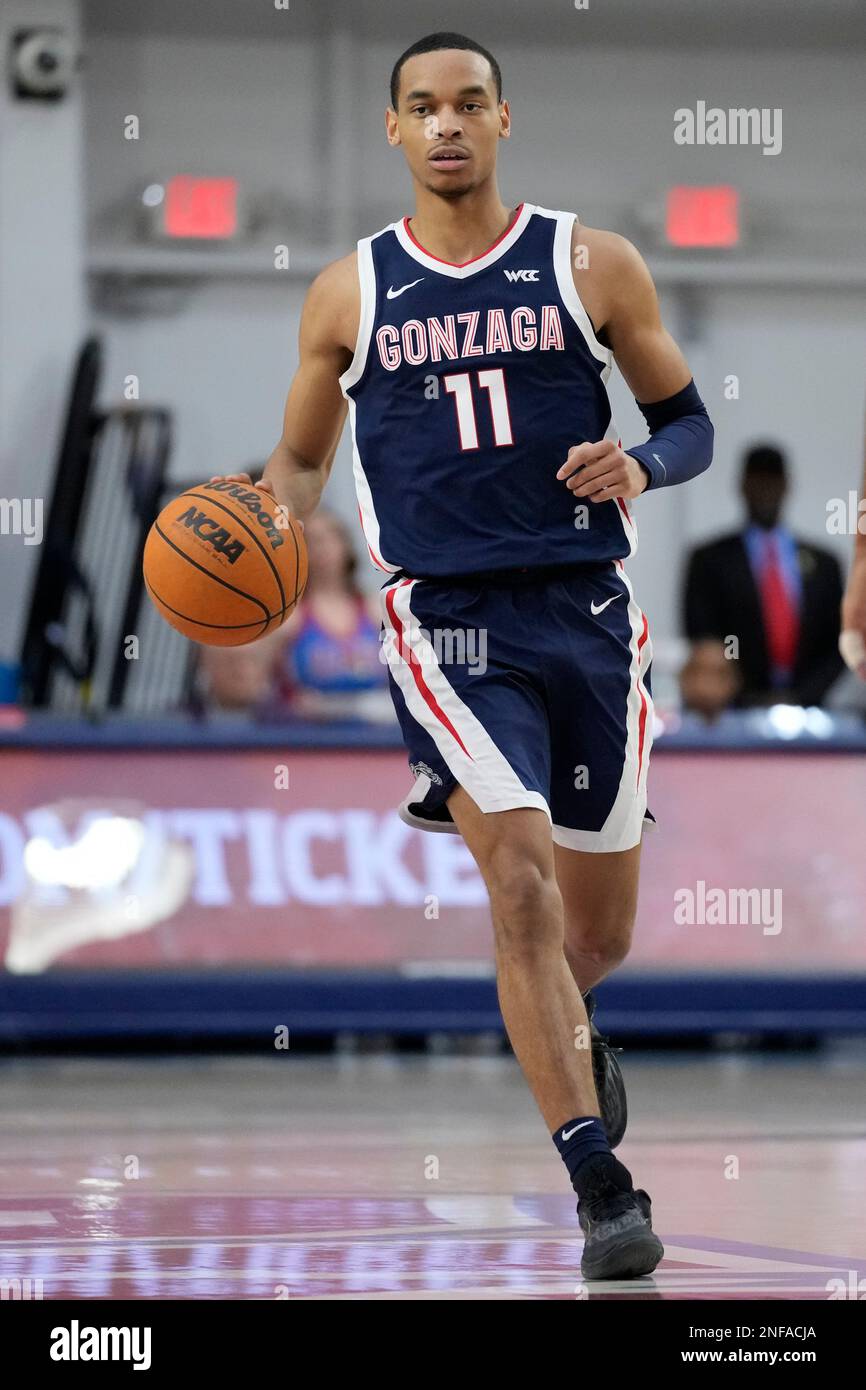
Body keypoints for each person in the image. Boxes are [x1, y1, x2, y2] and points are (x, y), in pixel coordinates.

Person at [212, 31, 714, 1279]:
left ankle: (574, 1034)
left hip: (588, 616)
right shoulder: (347, 291)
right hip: (444, 621)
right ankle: (600, 1183)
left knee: (594, 939)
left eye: (468, 104)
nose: (445, 124)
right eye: (422, 107)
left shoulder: (590, 262)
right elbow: (300, 464)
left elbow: (688, 423)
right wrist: (252, 525)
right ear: (392, 129)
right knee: (521, 890)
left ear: (503, 119)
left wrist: (639, 462)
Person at [683, 444, 843, 712]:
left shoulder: (824, 564)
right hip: (733, 710)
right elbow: (703, 637)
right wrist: (742, 694)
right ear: (743, 486)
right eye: (757, 480)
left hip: (811, 710)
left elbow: (838, 642)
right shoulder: (710, 560)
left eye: (772, 480)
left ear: (786, 486)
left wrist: (802, 697)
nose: (765, 490)